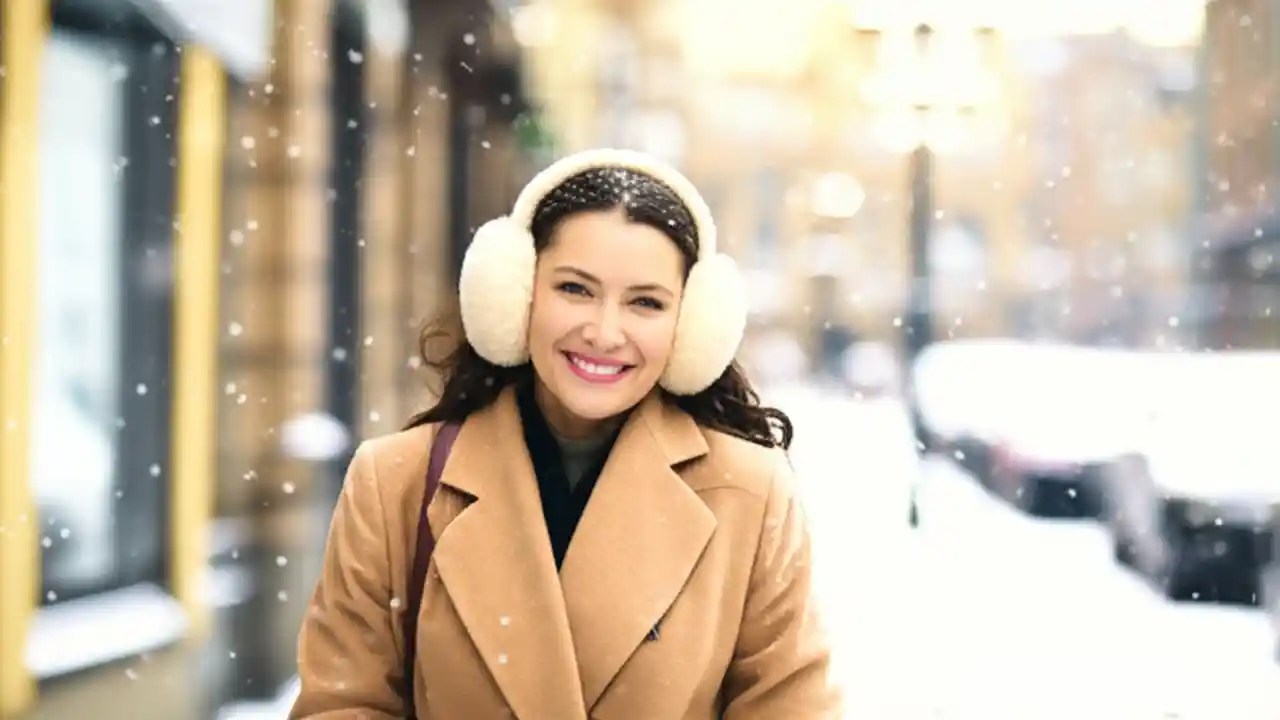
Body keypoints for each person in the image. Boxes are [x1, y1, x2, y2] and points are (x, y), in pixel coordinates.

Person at [290, 149, 841, 719]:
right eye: (575, 289)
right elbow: (343, 705)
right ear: (516, 293)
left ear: (692, 323)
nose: (604, 332)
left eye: (646, 303)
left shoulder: (749, 494)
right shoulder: (395, 482)